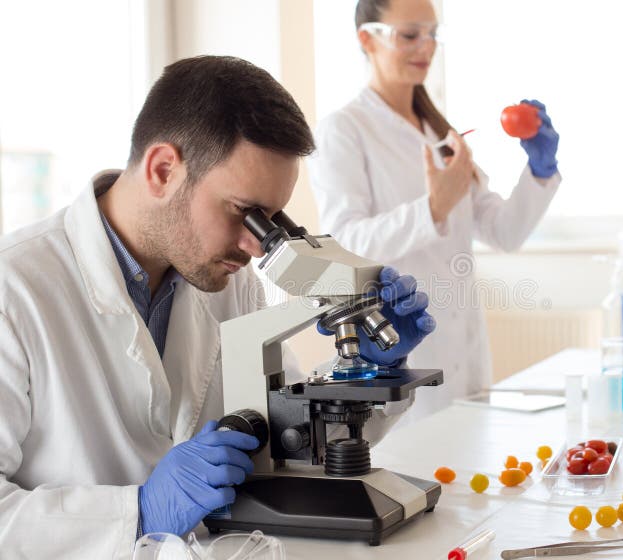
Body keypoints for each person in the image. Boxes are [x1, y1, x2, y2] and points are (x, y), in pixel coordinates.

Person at [0, 55, 435, 558]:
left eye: (271, 220)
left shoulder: (228, 281)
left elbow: (292, 437)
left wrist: (369, 368)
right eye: (243, 213)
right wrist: (137, 513)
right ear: (163, 170)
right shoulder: (16, 289)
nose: (256, 246)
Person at [308, 0, 561, 423]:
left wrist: (539, 171)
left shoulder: (442, 134)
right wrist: (432, 210)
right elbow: (344, 243)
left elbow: (504, 232)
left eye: (432, 34)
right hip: (401, 355)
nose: (425, 46)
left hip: (467, 355)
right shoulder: (344, 129)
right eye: (410, 34)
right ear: (366, 38)